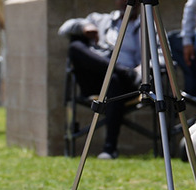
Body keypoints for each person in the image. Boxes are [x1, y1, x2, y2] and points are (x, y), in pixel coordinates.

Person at [60, 17, 141, 159]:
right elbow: (64, 29)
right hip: (104, 81)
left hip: (127, 85)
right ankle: (109, 149)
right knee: (75, 47)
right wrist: (85, 26)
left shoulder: (142, 24)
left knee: (113, 80)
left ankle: (109, 149)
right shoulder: (103, 20)